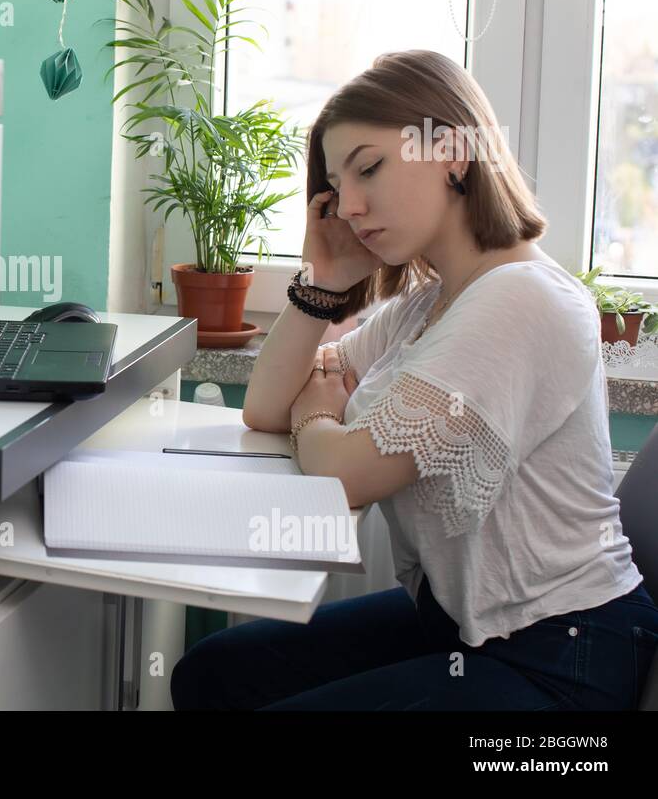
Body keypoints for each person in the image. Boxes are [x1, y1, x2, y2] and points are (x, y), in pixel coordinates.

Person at [171, 49, 658, 710]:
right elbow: (264, 407)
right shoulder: (428, 305)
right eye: (338, 186)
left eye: (369, 168)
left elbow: (346, 473)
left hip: (563, 656)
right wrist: (328, 281)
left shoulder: (521, 300)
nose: (351, 206)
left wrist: (317, 416)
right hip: (462, 628)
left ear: (454, 152)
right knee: (213, 673)